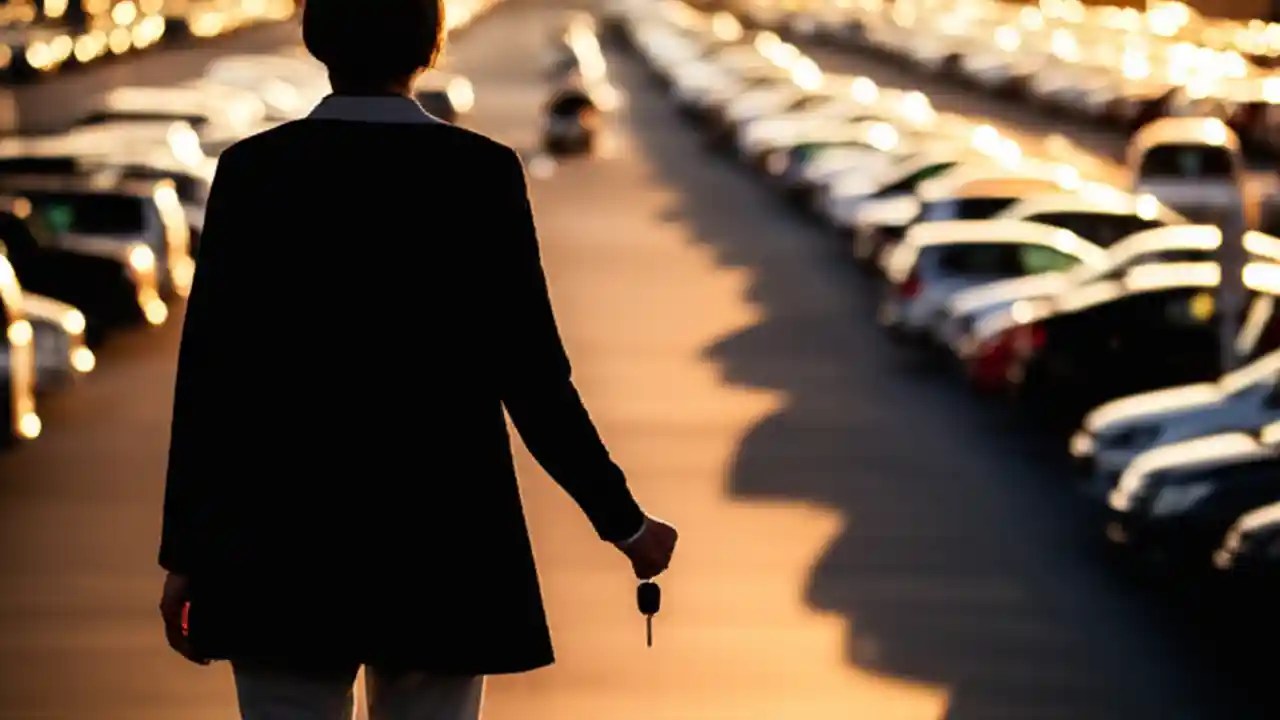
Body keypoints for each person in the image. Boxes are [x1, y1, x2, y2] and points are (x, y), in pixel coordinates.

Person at [155, 1, 678, 718]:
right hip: (443, 548)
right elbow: (533, 379)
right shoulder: (479, 175)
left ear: (316, 40)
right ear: (430, 46)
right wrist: (623, 523)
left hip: (277, 543)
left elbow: (212, 381)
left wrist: (185, 554)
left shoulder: (253, 171)